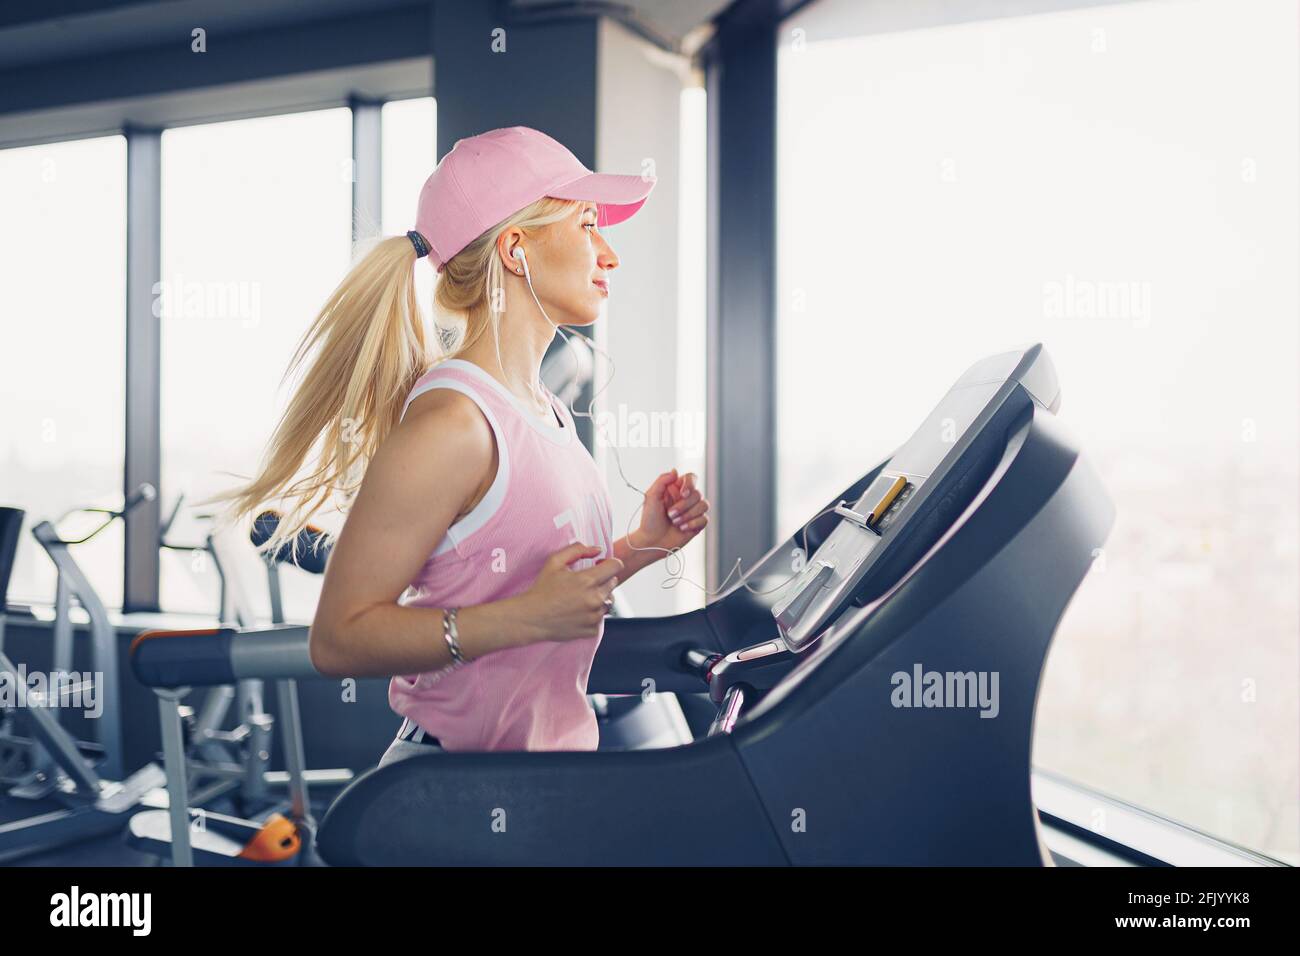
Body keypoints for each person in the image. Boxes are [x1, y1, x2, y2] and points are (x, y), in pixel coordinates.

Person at [206, 126, 709, 764]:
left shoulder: (545, 411)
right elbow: (338, 640)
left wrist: (644, 544)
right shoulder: (455, 423)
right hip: (453, 790)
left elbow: (546, 591)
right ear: (516, 249)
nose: (609, 254)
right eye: (587, 224)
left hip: (542, 776)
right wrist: (526, 619)